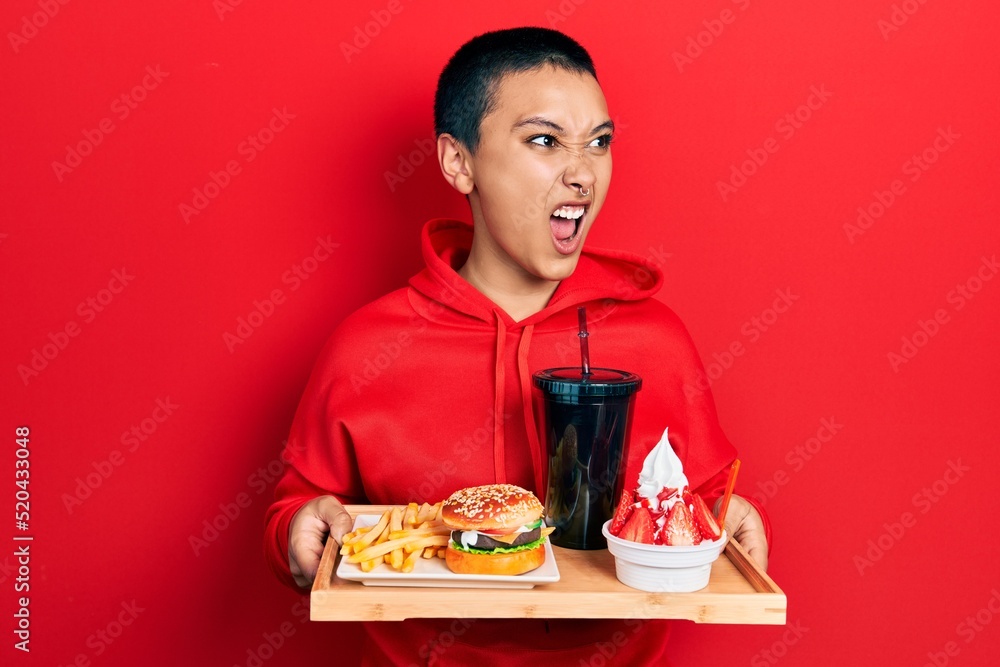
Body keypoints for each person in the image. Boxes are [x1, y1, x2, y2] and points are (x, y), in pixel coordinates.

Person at [264, 26, 771, 666]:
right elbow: (297, 506)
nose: (582, 172)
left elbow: (703, 506)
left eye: (599, 142)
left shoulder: (657, 339)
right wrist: (297, 532)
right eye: (544, 141)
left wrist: (739, 520)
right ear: (459, 162)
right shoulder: (367, 345)